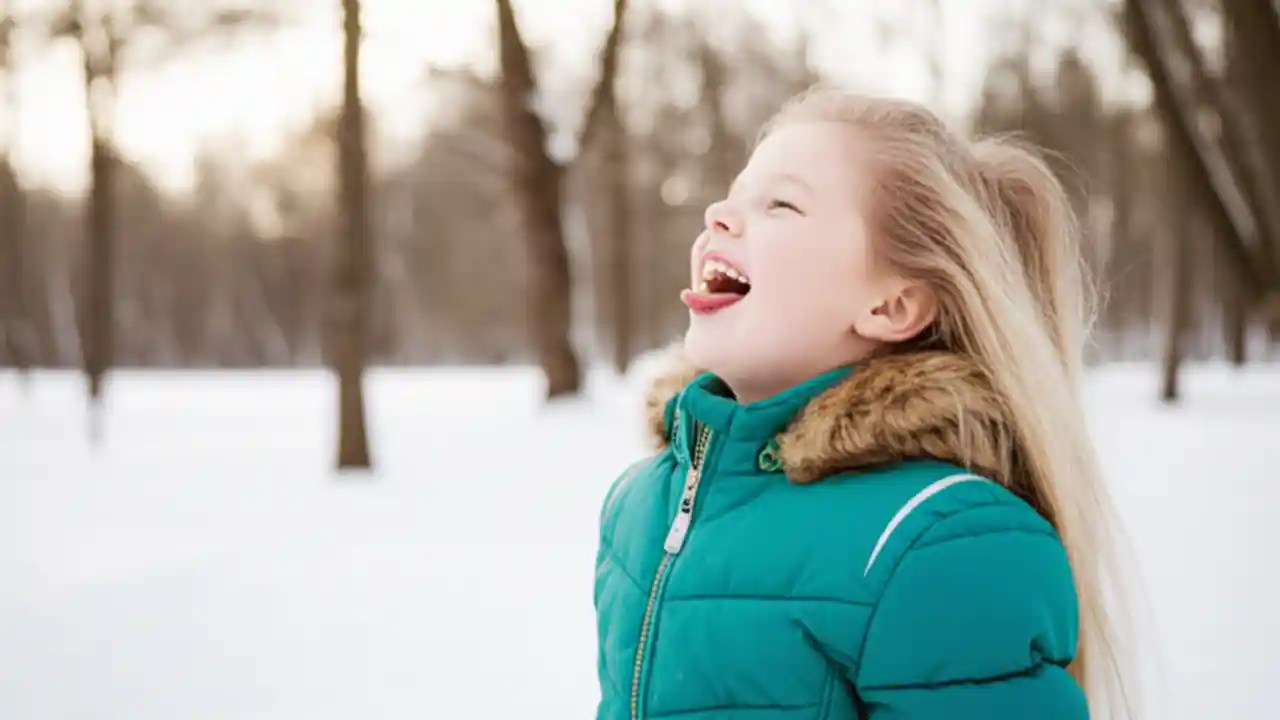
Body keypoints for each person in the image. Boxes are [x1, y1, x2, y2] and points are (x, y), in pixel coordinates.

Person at [593, 87, 1132, 719]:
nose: (718, 214)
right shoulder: (642, 503)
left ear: (889, 306)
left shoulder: (939, 539)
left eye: (780, 204)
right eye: (735, 194)